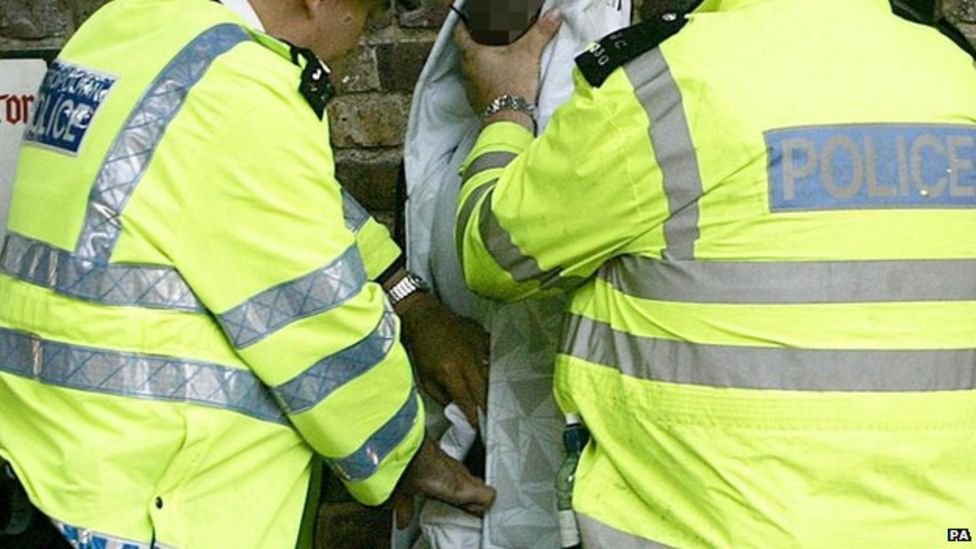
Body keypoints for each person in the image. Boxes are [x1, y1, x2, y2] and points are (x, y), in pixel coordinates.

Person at [453, 0, 976, 546]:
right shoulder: (956, 74)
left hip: (711, 530)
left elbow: (494, 253)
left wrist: (505, 107)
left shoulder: (668, 84)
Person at [0, 0, 495, 547]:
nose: (355, 49)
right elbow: (318, 326)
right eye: (368, 19)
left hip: (51, 472)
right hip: (144, 506)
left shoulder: (130, 26)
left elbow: (278, 197)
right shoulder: (239, 85)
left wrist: (405, 295)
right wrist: (406, 454)